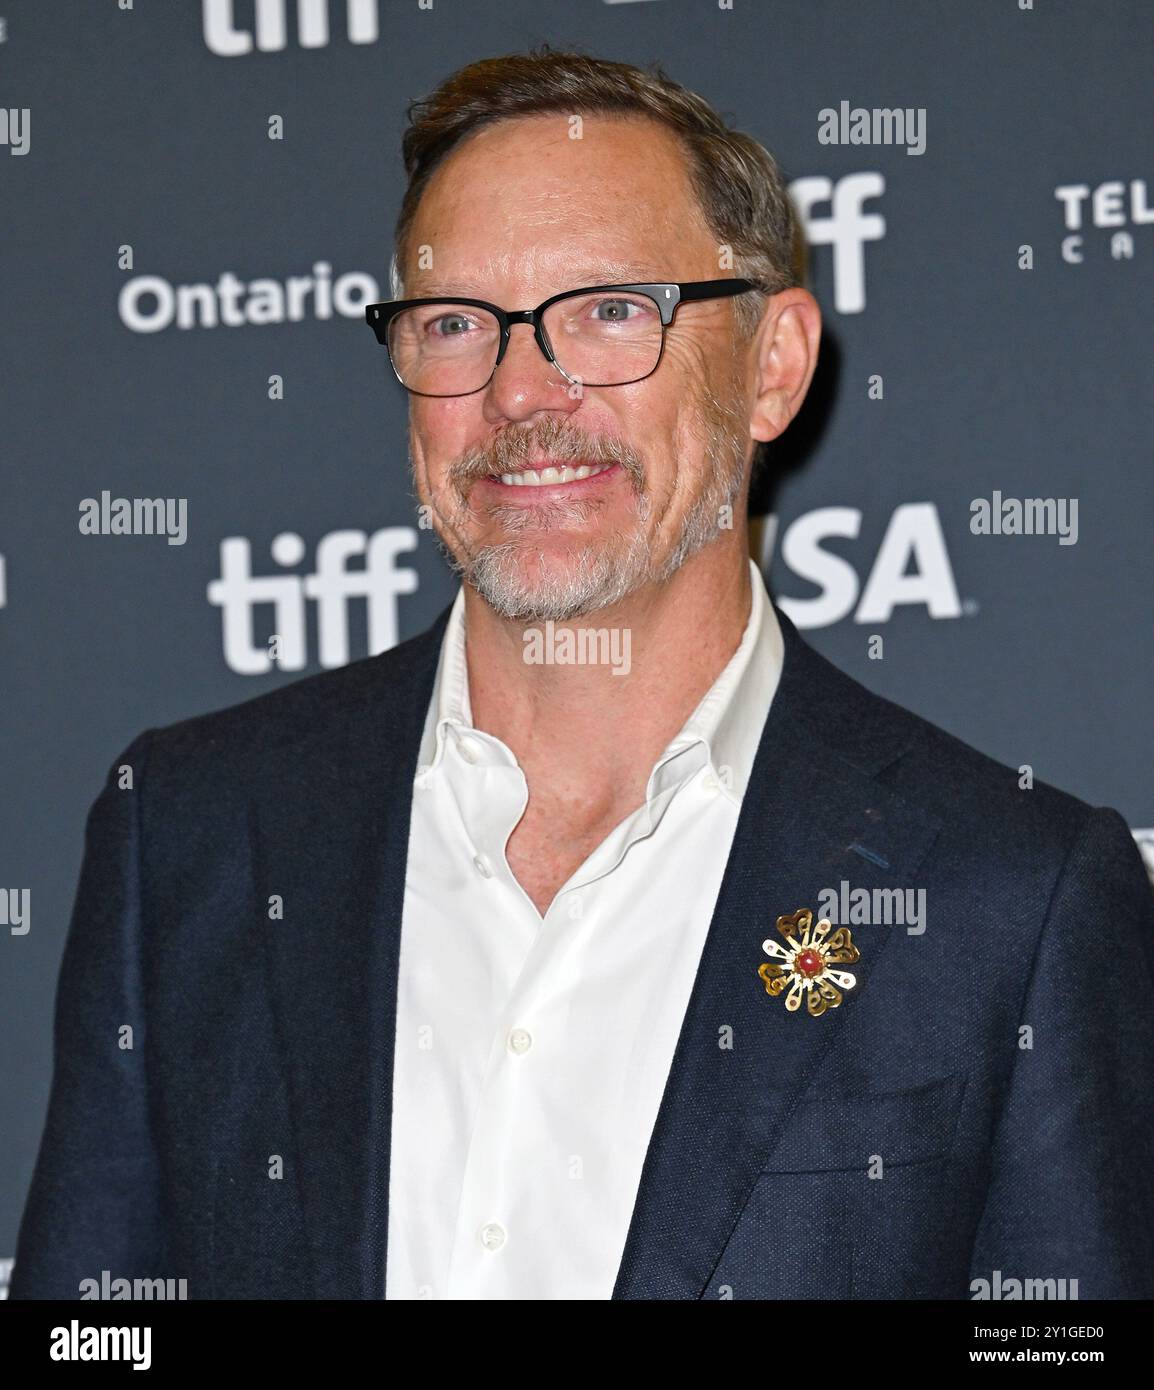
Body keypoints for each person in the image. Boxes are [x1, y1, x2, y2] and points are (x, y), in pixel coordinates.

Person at [12, 48, 1154, 1301]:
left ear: (771, 364)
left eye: (610, 309)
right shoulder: (192, 831)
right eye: (454, 323)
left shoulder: (1009, 893)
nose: (517, 391)